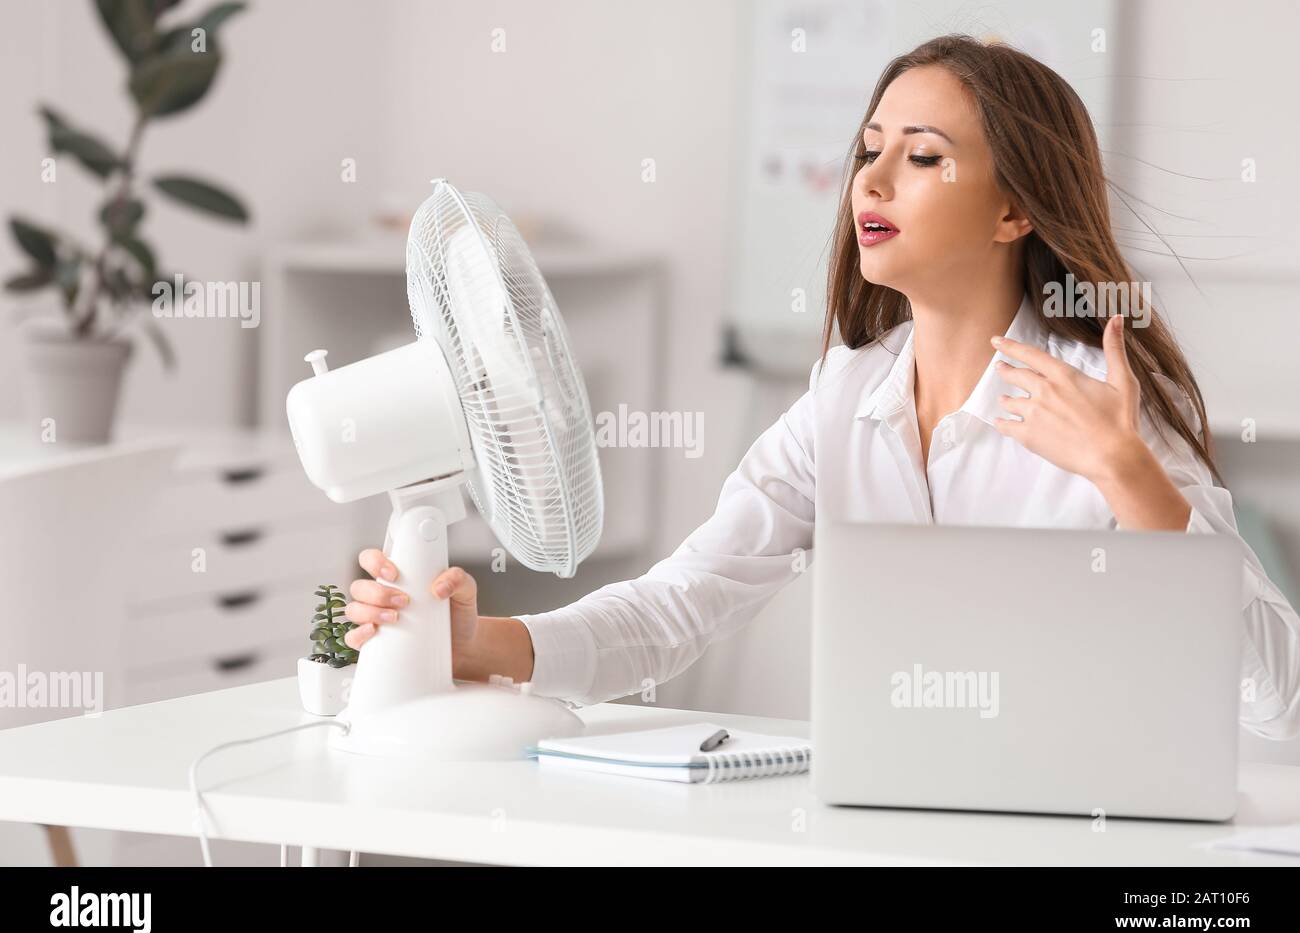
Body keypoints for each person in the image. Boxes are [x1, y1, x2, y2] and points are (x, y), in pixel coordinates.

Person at [342, 35, 1300, 739]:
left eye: (923, 156)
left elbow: (1281, 704)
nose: (872, 181)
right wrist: (483, 643)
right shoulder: (845, 401)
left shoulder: (1099, 408)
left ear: (1015, 208)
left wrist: (1133, 481)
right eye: (867, 150)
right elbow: (679, 606)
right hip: (890, 824)